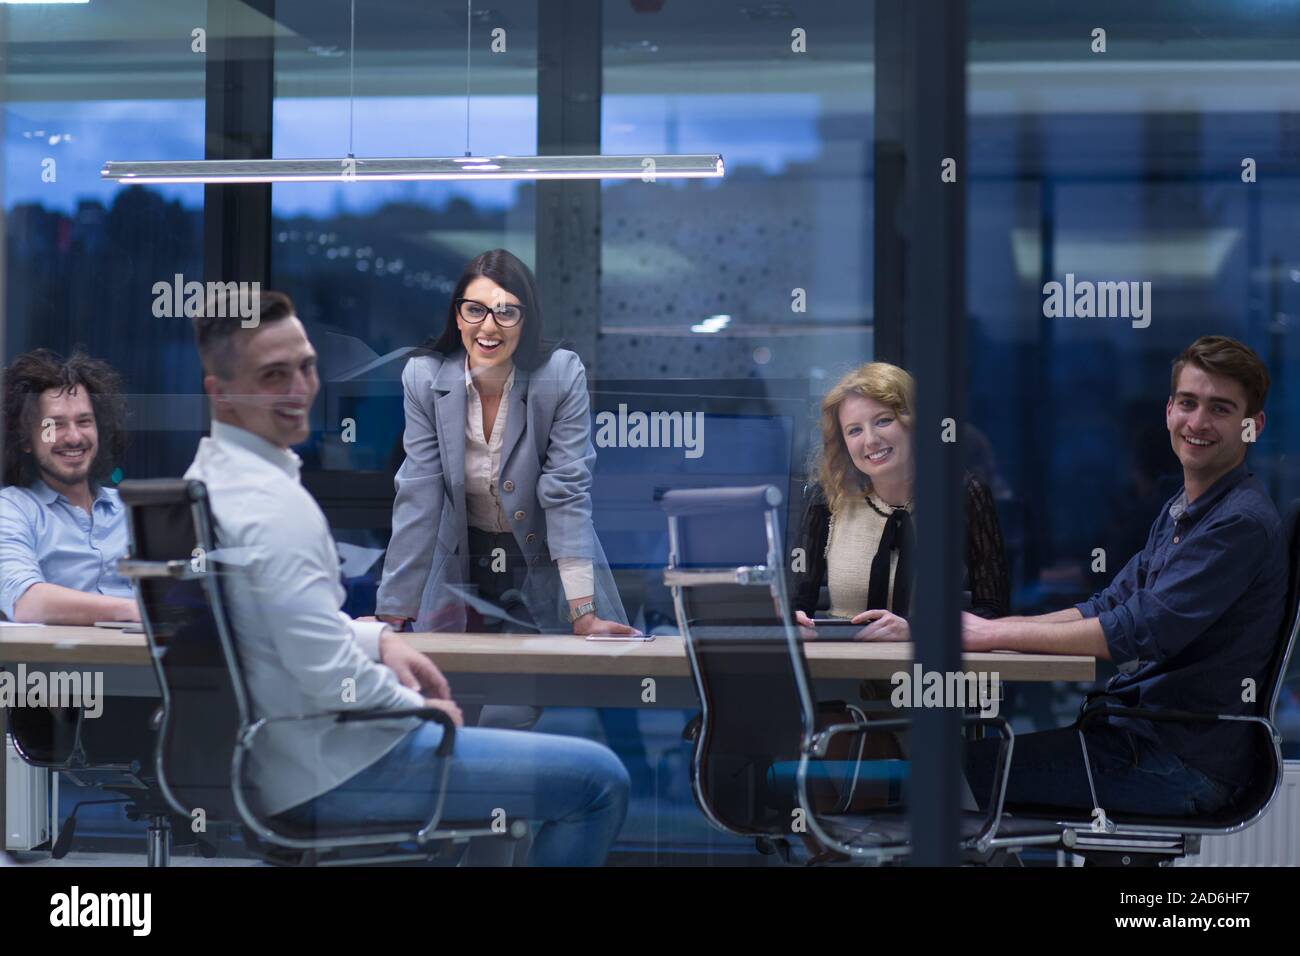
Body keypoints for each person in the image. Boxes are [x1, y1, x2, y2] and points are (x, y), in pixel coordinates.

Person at [184, 289, 629, 865]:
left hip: (275, 763)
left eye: (306, 366)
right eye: (273, 375)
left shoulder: (210, 481)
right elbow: (323, 677)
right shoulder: (273, 507)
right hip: (332, 769)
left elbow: (279, 627)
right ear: (220, 393)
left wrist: (376, 637)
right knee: (599, 781)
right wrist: (412, 709)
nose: (299, 390)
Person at [963, 335, 1287, 818]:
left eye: (1220, 409)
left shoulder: (1238, 523)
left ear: (1252, 426)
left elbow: (1135, 632)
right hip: (1141, 740)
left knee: (949, 774)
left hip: (1178, 763)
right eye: (1188, 403)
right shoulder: (1186, 508)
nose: (1198, 422)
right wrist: (980, 633)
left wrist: (989, 635)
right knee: (957, 771)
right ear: (1168, 411)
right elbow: (1108, 605)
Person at [375, 249, 635, 640]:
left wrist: (581, 610)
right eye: (475, 310)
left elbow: (566, 494)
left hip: (543, 563)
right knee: (458, 694)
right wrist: (392, 611)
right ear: (457, 316)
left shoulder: (561, 374)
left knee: (515, 699)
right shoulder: (422, 377)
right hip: (460, 565)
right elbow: (419, 496)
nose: (489, 327)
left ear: (525, 320)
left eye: (506, 312)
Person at [792, 362, 1010, 640]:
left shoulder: (964, 494)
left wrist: (915, 630)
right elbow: (796, 601)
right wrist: (793, 619)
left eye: (883, 420)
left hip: (934, 674)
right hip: (846, 670)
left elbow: (995, 613)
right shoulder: (827, 495)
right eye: (854, 430)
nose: (870, 440)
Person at [0, 349, 137, 624]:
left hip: (148, 664)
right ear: (27, 440)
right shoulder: (12, 509)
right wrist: (132, 611)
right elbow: (25, 602)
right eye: (55, 425)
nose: (74, 437)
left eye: (84, 421)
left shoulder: (131, 508)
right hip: (63, 666)